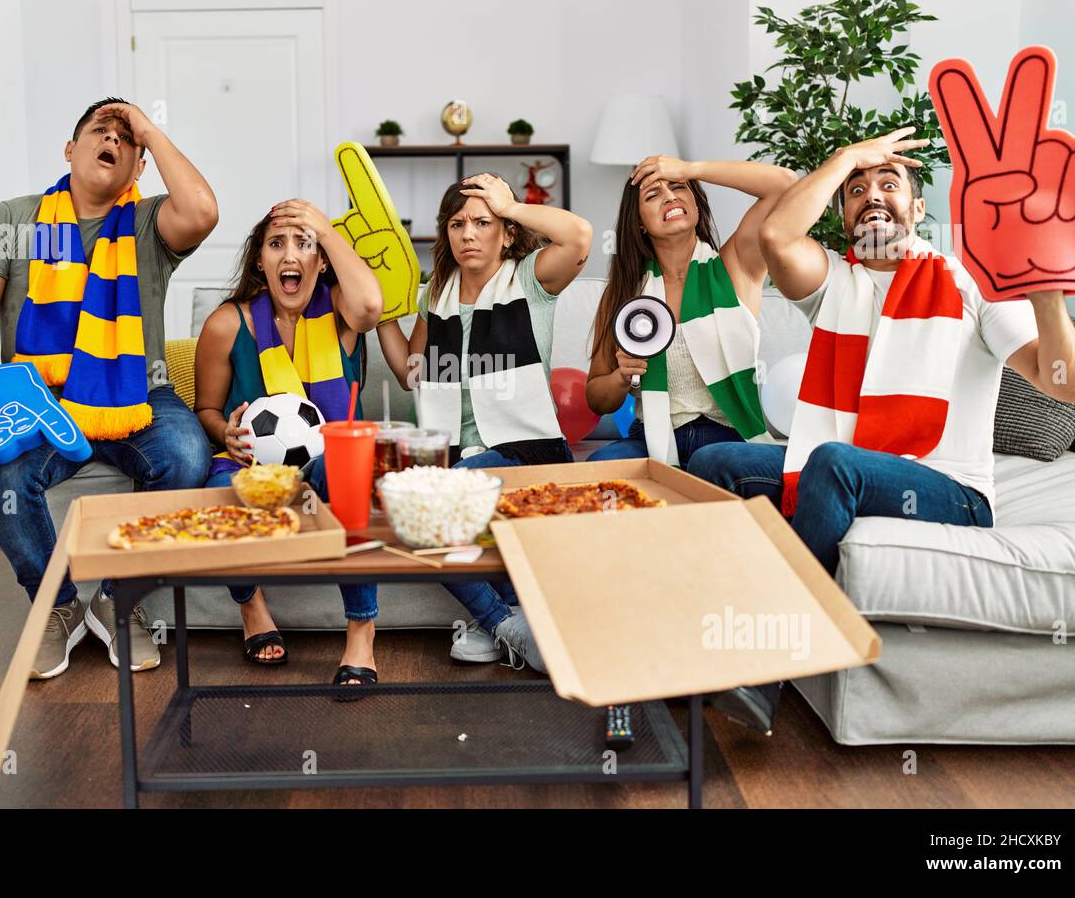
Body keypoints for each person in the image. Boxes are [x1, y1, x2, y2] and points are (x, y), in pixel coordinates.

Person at [687, 127, 1075, 733]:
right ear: (841, 212)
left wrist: (1049, 300)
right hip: (857, 468)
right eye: (856, 190)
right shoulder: (832, 283)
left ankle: (768, 664)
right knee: (715, 463)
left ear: (919, 207)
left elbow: (1064, 383)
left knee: (831, 462)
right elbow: (776, 233)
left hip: (950, 489)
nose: (872, 194)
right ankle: (703, 631)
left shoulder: (968, 284)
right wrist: (849, 155)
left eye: (889, 183)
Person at [0, 98, 219, 679]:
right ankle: (59, 605)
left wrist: (147, 127)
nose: (114, 141)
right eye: (102, 131)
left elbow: (200, 210)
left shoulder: (147, 223)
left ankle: (120, 600)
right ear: (70, 150)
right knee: (3, 476)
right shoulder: (12, 219)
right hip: (38, 399)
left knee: (186, 455)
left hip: (139, 397)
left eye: (128, 141)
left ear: (139, 166)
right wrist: (1, 394)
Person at [377, 174, 593, 673]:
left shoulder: (531, 280)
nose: (468, 234)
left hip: (525, 449)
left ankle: (494, 619)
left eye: (482, 222)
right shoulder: (436, 294)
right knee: (409, 499)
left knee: (437, 497)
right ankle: (508, 621)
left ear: (507, 232)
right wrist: (385, 314)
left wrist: (511, 204)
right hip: (454, 453)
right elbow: (412, 373)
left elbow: (579, 235)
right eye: (457, 224)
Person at [195, 201, 383, 688]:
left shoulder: (341, 312)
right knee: (221, 490)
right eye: (277, 244)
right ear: (260, 260)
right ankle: (252, 606)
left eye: (305, 244)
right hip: (253, 465)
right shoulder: (226, 324)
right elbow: (207, 411)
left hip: (330, 460)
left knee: (349, 479)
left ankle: (362, 630)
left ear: (321, 261)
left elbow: (370, 307)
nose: (290, 255)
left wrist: (325, 228)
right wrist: (225, 433)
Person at [584, 156, 797, 465]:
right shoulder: (625, 294)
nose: (670, 197)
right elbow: (596, 398)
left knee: (711, 462)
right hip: (651, 436)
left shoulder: (734, 265)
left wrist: (690, 169)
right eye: (653, 195)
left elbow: (784, 185)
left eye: (679, 187)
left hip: (727, 436)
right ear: (640, 223)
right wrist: (622, 376)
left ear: (696, 203)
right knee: (603, 466)